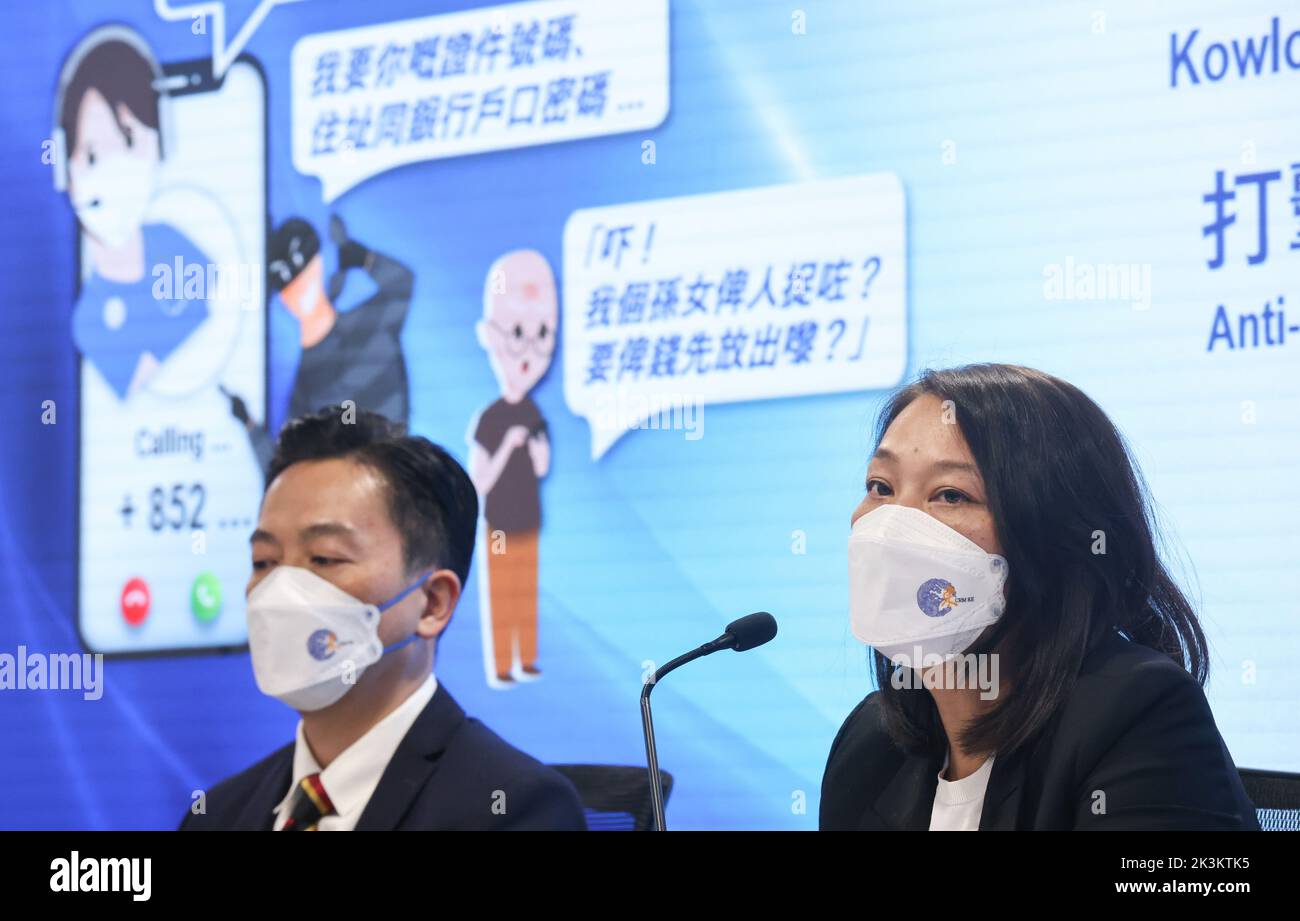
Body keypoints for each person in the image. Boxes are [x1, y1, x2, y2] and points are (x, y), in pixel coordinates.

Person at [821, 363, 1259, 830]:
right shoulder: (871, 742)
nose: (891, 529)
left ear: (1053, 538)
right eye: (880, 487)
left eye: (950, 495)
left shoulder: (1135, 713)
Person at [180, 406, 586, 830]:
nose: (280, 593)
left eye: (324, 558)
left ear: (432, 603)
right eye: (264, 562)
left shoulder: (515, 808)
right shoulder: (217, 816)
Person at [61, 32, 210, 400]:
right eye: (93, 156)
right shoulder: (87, 320)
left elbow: (223, 292)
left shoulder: (171, 240)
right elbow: (137, 377)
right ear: (66, 172)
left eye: (128, 141)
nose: (114, 170)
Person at [468, 250, 556, 686]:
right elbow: (479, 480)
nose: (529, 350)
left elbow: (542, 468)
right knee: (503, 597)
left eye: (542, 335)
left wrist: (536, 445)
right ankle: (502, 666)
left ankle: (529, 660)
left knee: (527, 596)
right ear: (491, 334)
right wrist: (506, 445)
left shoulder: (535, 411)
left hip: (531, 522)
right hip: (499, 524)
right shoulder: (491, 418)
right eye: (518, 334)